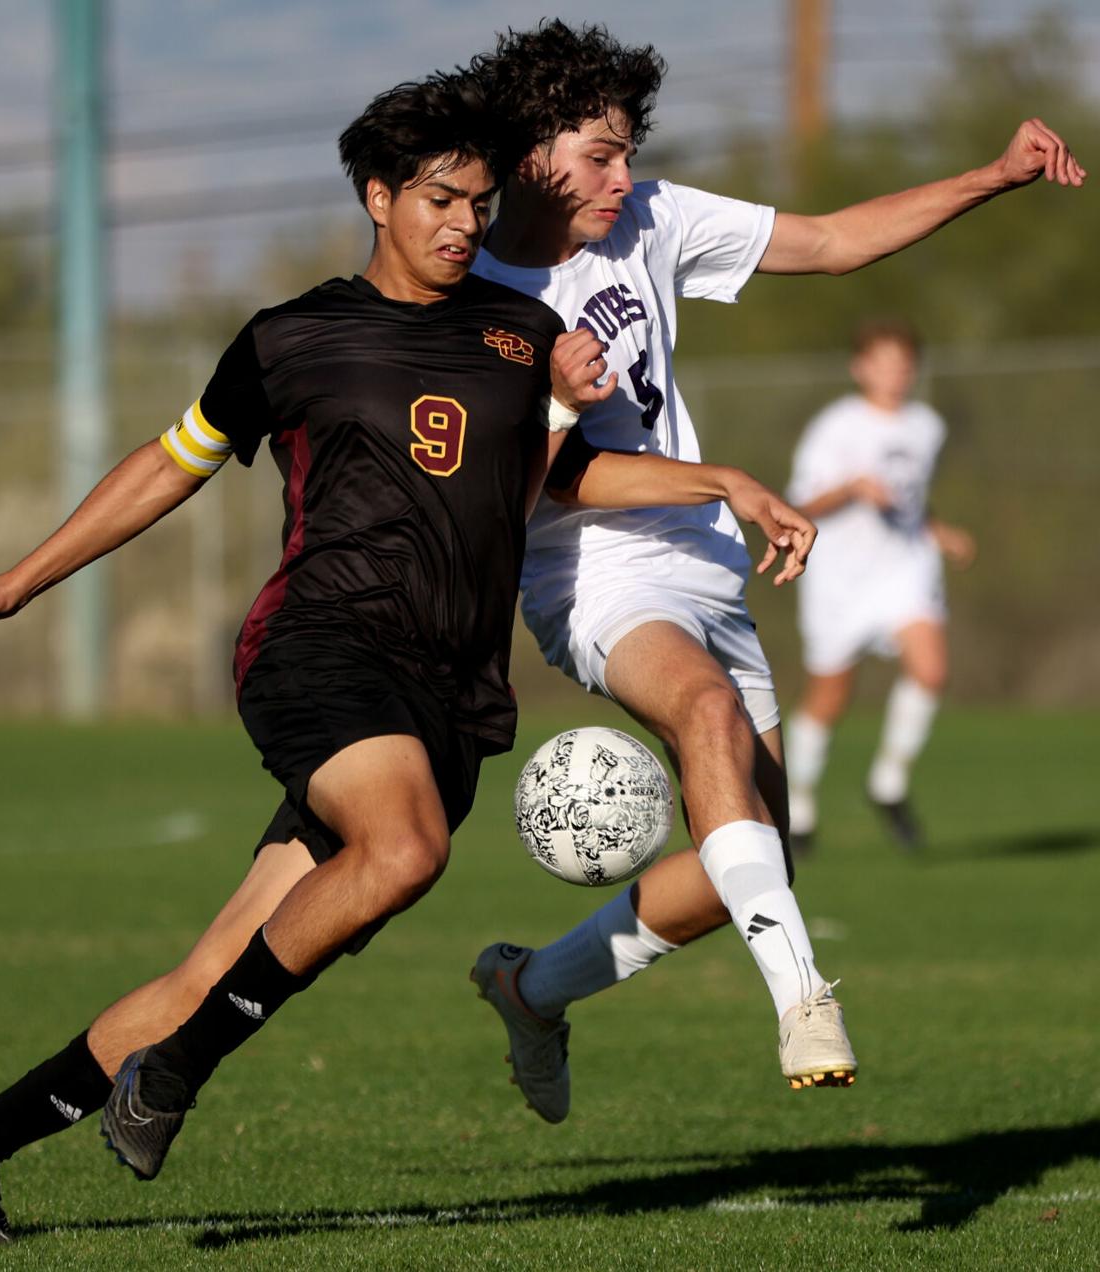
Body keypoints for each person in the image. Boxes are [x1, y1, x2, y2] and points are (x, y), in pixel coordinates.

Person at [0, 71, 817, 1242]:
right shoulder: (293, 337)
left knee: (219, 968)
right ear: (379, 196)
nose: (464, 225)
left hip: (448, 696)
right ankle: (175, 1078)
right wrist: (12, 582)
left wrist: (721, 480)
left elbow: (567, 479)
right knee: (402, 848)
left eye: (481, 205)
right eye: (442, 199)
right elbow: (164, 464)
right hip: (319, 649)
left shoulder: (523, 336)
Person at [464, 20, 1084, 1124]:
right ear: (529, 155)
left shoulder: (650, 216)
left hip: (705, 566)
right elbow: (556, 484)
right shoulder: (478, 298)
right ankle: (804, 1000)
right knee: (704, 715)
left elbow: (836, 239)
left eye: (628, 150)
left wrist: (994, 175)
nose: (625, 175)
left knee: (752, 856)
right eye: (600, 154)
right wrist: (728, 479)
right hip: (593, 576)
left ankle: (532, 986)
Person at [784, 320, 975, 853]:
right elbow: (800, 503)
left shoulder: (926, 426)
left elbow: (912, 502)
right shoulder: (836, 427)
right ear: (860, 367)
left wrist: (940, 532)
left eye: (904, 364)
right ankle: (799, 807)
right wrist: (851, 488)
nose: (894, 374)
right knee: (828, 698)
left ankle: (888, 783)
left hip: (904, 568)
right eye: (883, 363)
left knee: (931, 670)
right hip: (841, 578)